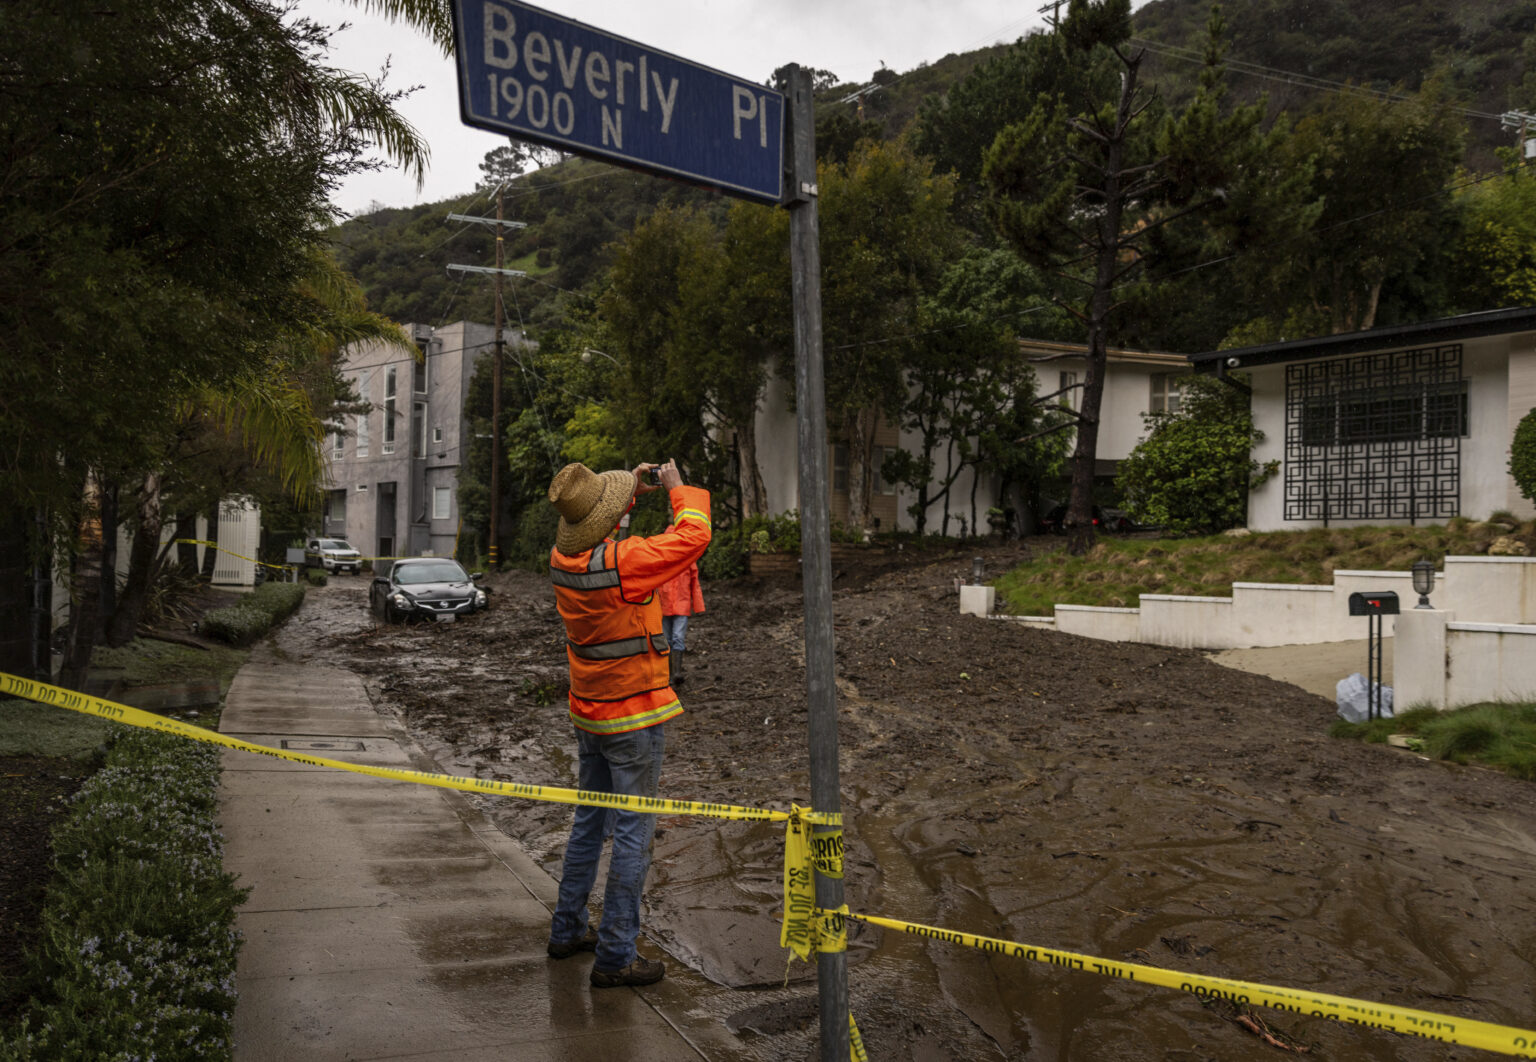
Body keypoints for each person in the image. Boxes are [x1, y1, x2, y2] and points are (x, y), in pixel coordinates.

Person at [543, 458, 711, 988]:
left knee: (589, 823)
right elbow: (694, 535)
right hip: (635, 717)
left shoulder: (561, 558)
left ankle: (567, 929)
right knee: (634, 832)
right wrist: (676, 489)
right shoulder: (628, 562)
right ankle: (616, 955)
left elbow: (602, 537)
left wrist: (627, 495)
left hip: (587, 712)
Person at [657, 522, 705, 687]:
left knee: (677, 638)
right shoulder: (661, 560)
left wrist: (698, 605)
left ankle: (676, 673)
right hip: (664, 606)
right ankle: (669, 674)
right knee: (666, 640)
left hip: (681, 606)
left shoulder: (687, 560)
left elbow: (694, 582)